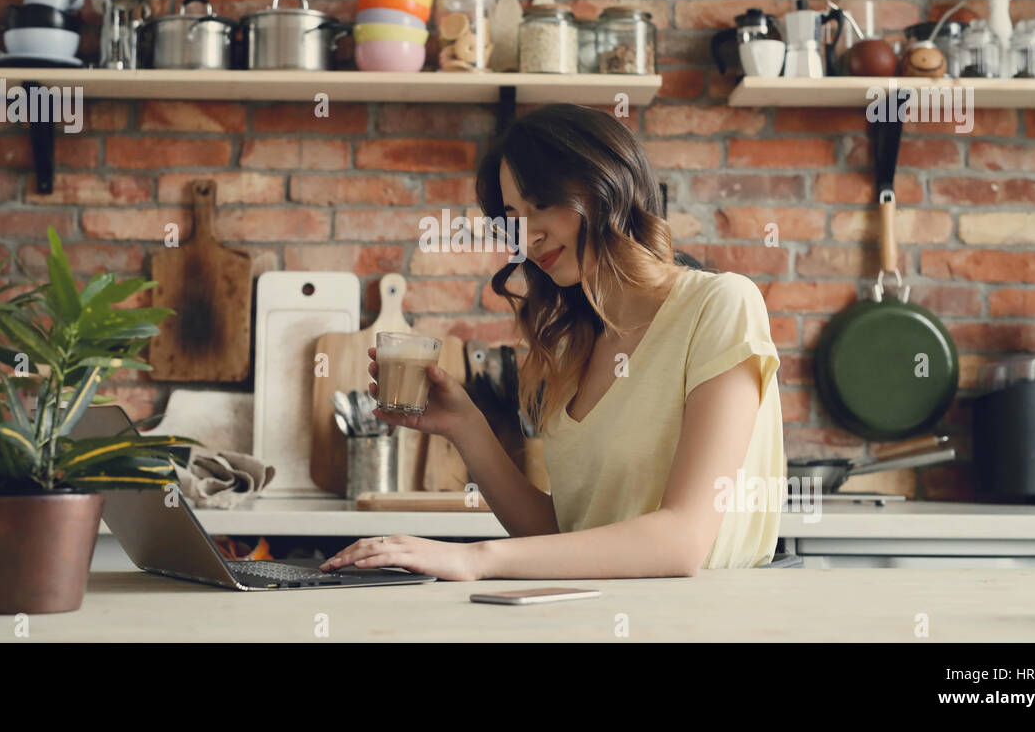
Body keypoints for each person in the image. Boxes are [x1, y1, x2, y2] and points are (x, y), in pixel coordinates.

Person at [321, 104, 784, 580]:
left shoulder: (721, 305)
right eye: (513, 217)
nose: (529, 235)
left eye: (541, 202)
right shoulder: (575, 347)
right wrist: (466, 426)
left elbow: (682, 540)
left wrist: (473, 556)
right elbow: (565, 535)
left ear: (609, 182)